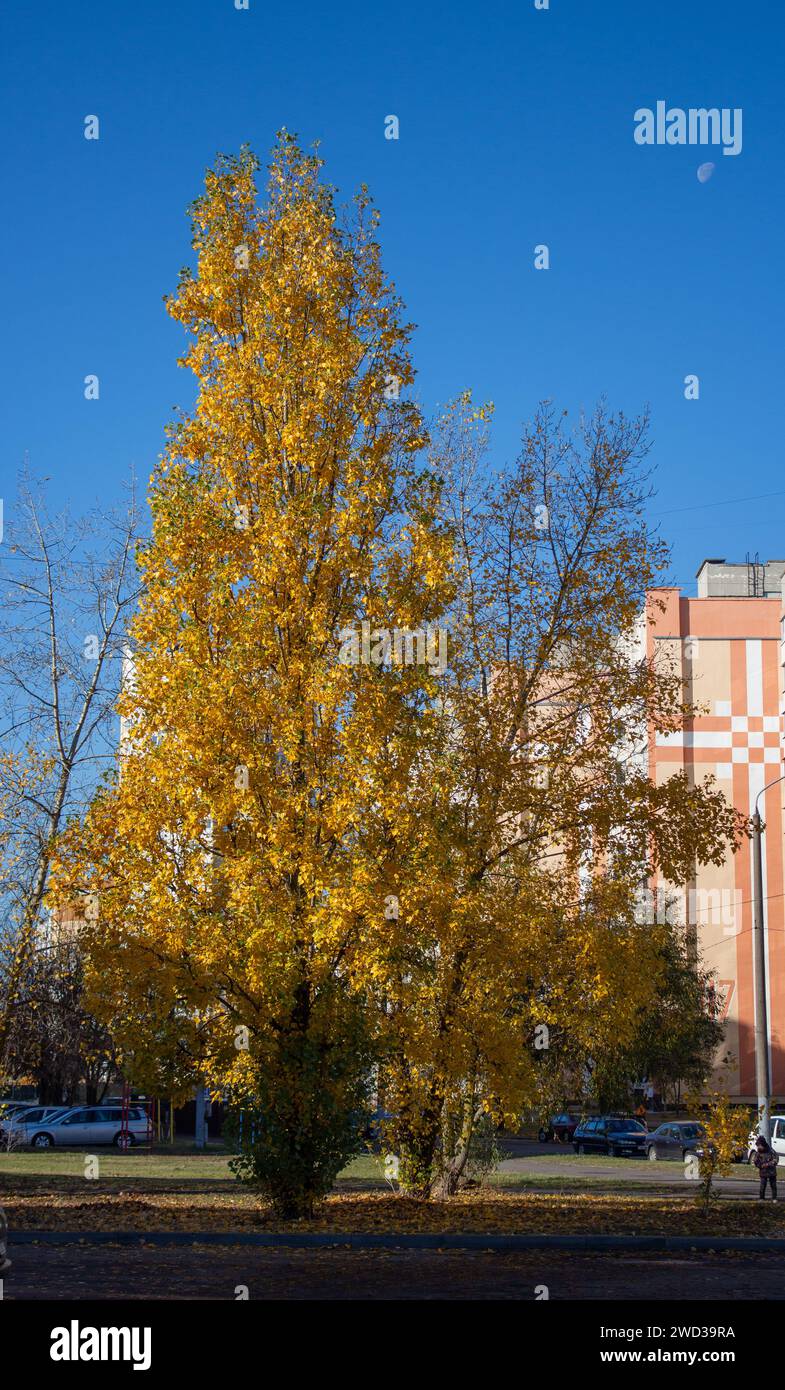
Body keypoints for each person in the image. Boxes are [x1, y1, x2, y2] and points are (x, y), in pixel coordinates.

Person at [753, 1135, 778, 1201]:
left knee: (773, 1185)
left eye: (759, 1145)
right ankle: (761, 1198)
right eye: (758, 1146)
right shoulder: (758, 1153)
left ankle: (774, 1198)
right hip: (763, 1172)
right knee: (762, 1186)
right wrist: (760, 1165)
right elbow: (755, 1161)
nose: (758, 1147)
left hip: (771, 1172)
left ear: (763, 1144)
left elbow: (776, 1159)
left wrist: (769, 1164)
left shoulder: (771, 1151)